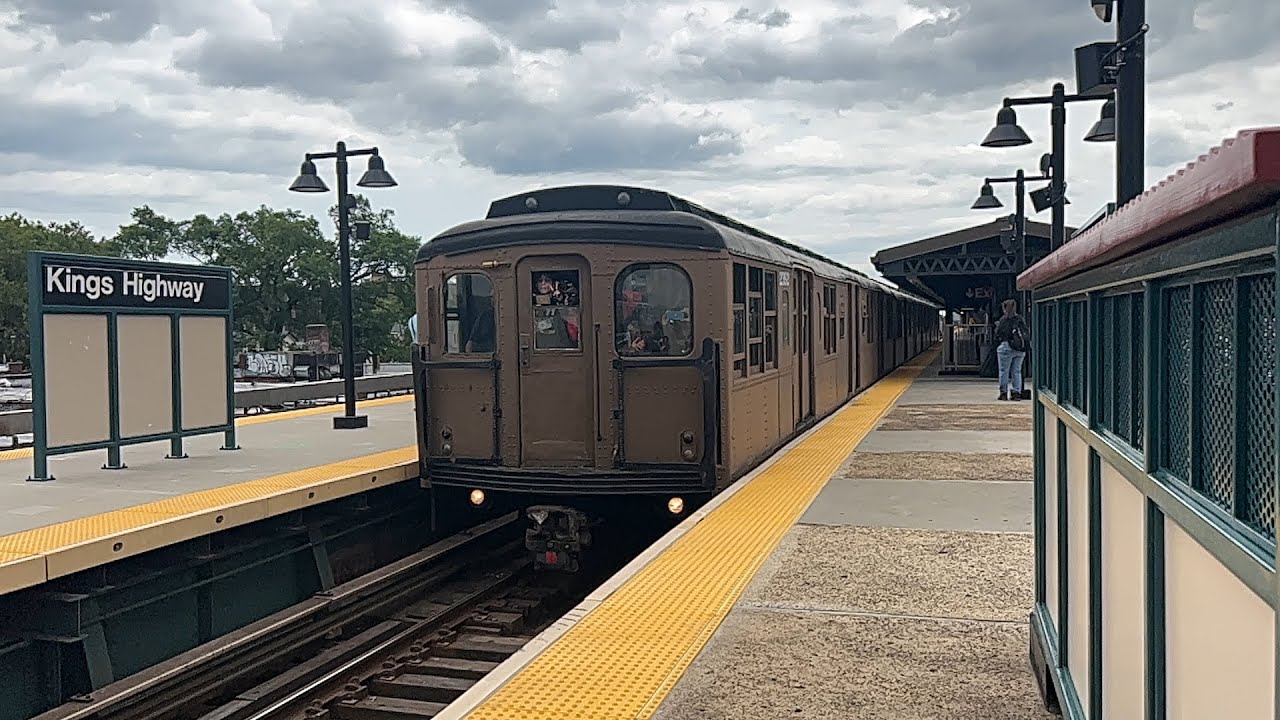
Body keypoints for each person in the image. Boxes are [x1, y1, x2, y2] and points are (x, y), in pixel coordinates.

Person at [994, 298, 1029, 401]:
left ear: (1005, 308)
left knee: (1004, 370)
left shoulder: (1003, 320)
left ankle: (1003, 393)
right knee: (1017, 371)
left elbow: (998, 333)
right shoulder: (1020, 319)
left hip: (1006, 346)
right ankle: (1016, 392)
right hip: (1020, 349)